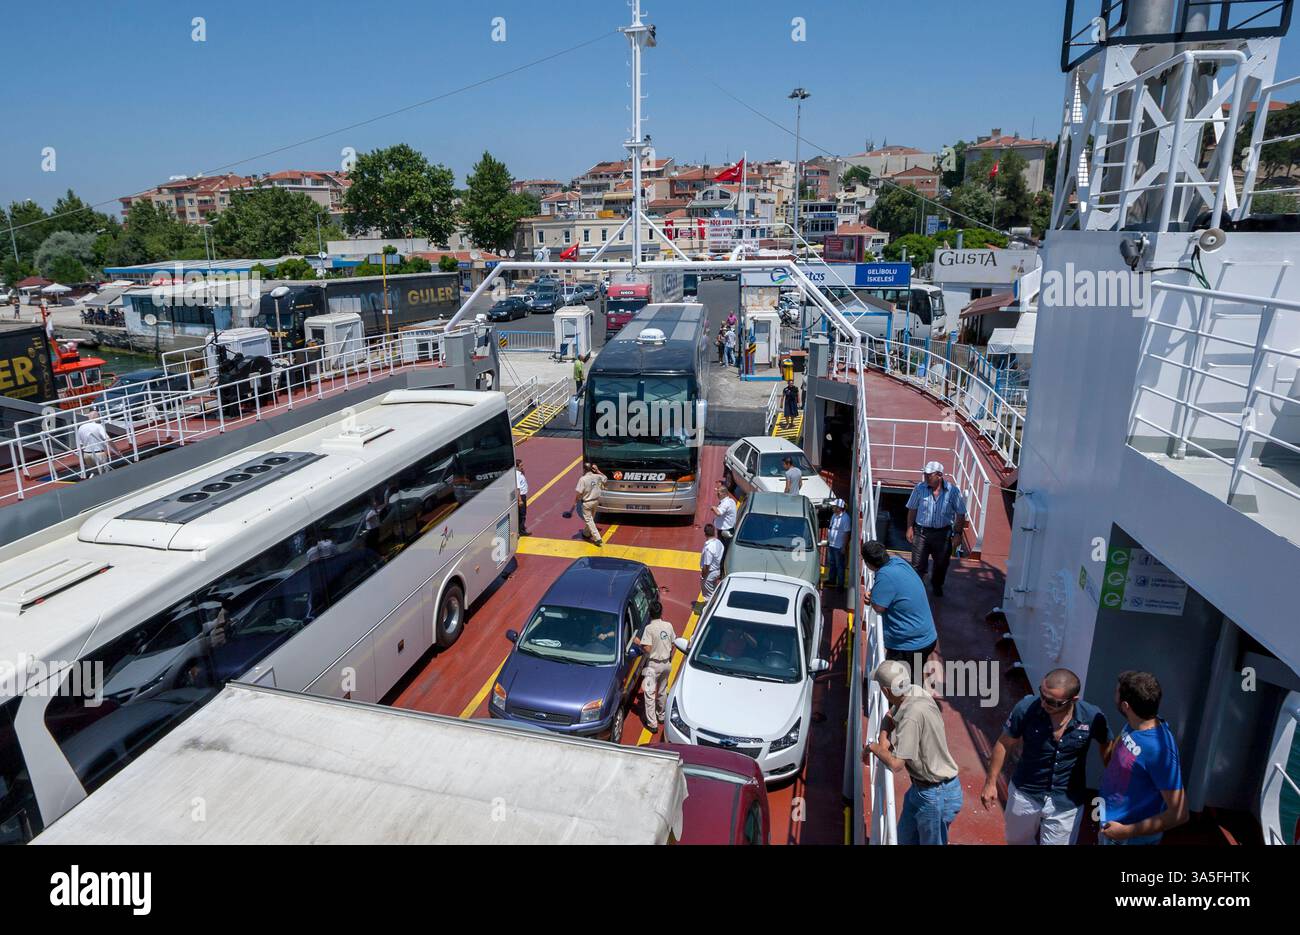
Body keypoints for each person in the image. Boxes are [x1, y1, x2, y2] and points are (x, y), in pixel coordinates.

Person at [981, 668, 1111, 845]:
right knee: (1016, 841)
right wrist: (990, 783)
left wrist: (1111, 776)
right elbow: (1004, 743)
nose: (1043, 703)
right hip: (1025, 792)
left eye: (1052, 702)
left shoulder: (1092, 716)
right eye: (1042, 694)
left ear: (1073, 700)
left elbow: (1106, 742)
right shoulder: (1026, 708)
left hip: (1066, 801)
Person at [863, 659, 962, 845]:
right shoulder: (915, 692)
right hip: (922, 789)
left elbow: (896, 764)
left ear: (885, 691)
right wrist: (884, 740)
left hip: (935, 795)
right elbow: (889, 717)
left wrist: (873, 747)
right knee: (903, 839)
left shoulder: (911, 717)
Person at [1098, 671, 1187, 845]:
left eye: (1116, 692)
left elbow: (1179, 814)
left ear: (1125, 706)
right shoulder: (1134, 723)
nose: (1113, 695)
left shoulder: (1159, 750)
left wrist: (1126, 831)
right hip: (1109, 823)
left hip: (1128, 838)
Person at [862, 540, 938, 667]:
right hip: (927, 637)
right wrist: (875, 593)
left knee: (898, 682)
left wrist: (873, 598)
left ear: (868, 563)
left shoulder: (885, 575)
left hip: (909, 645)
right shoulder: (898, 562)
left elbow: (878, 607)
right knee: (914, 680)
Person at [905, 461, 967, 597]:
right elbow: (912, 509)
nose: (926, 477)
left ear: (939, 475)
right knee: (917, 564)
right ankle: (917, 589)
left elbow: (961, 513)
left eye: (929, 475)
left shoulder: (953, 491)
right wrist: (910, 527)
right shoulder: (919, 489)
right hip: (921, 533)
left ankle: (937, 585)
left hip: (942, 534)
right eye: (925, 474)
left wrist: (957, 534)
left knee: (941, 564)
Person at [637, 599, 676, 735]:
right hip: (667, 664)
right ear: (661, 612)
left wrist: (639, 643)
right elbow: (673, 644)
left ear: (650, 613)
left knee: (649, 694)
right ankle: (661, 715)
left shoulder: (649, 628)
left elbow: (647, 648)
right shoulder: (669, 626)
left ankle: (652, 724)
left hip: (653, 665)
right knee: (662, 691)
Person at [567, 462, 606, 545]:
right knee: (591, 518)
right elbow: (605, 478)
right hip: (596, 501)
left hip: (587, 503)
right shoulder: (598, 476)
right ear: (592, 469)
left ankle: (597, 538)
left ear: (584, 469)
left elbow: (579, 493)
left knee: (589, 520)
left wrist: (575, 503)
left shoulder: (583, 479)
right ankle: (586, 533)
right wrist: (598, 470)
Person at [824, 499, 850, 589]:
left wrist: (844, 546)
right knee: (832, 563)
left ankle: (840, 585)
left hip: (839, 546)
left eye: (834, 506)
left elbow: (847, 533)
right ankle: (832, 580)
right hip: (832, 545)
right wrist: (828, 540)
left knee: (840, 566)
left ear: (839, 508)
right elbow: (831, 528)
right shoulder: (834, 516)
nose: (833, 507)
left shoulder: (845, 518)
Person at [699, 524, 724, 598]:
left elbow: (707, 565)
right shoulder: (718, 542)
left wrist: (703, 576)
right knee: (714, 591)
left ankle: (708, 608)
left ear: (705, 534)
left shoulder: (709, 548)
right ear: (714, 532)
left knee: (708, 595)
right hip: (717, 571)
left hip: (710, 573)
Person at [711, 481, 737, 547]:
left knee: (723, 547)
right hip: (728, 528)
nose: (717, 495)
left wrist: (714, 508)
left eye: (719, 493)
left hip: (724, 531)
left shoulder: (725, 503)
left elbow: (719, 513)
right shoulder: (731, 501)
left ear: (724, 494)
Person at [515, 459, 530, 535]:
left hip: (522, 495)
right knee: (522, 514)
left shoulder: (520, 473)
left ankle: (521, 528)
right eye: (521, 466)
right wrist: (520, 500)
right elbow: (517, 488)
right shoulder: (517, 475)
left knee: (521, 514)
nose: (522, 467)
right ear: (517, 467)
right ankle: (521, 531)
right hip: (521, 496)